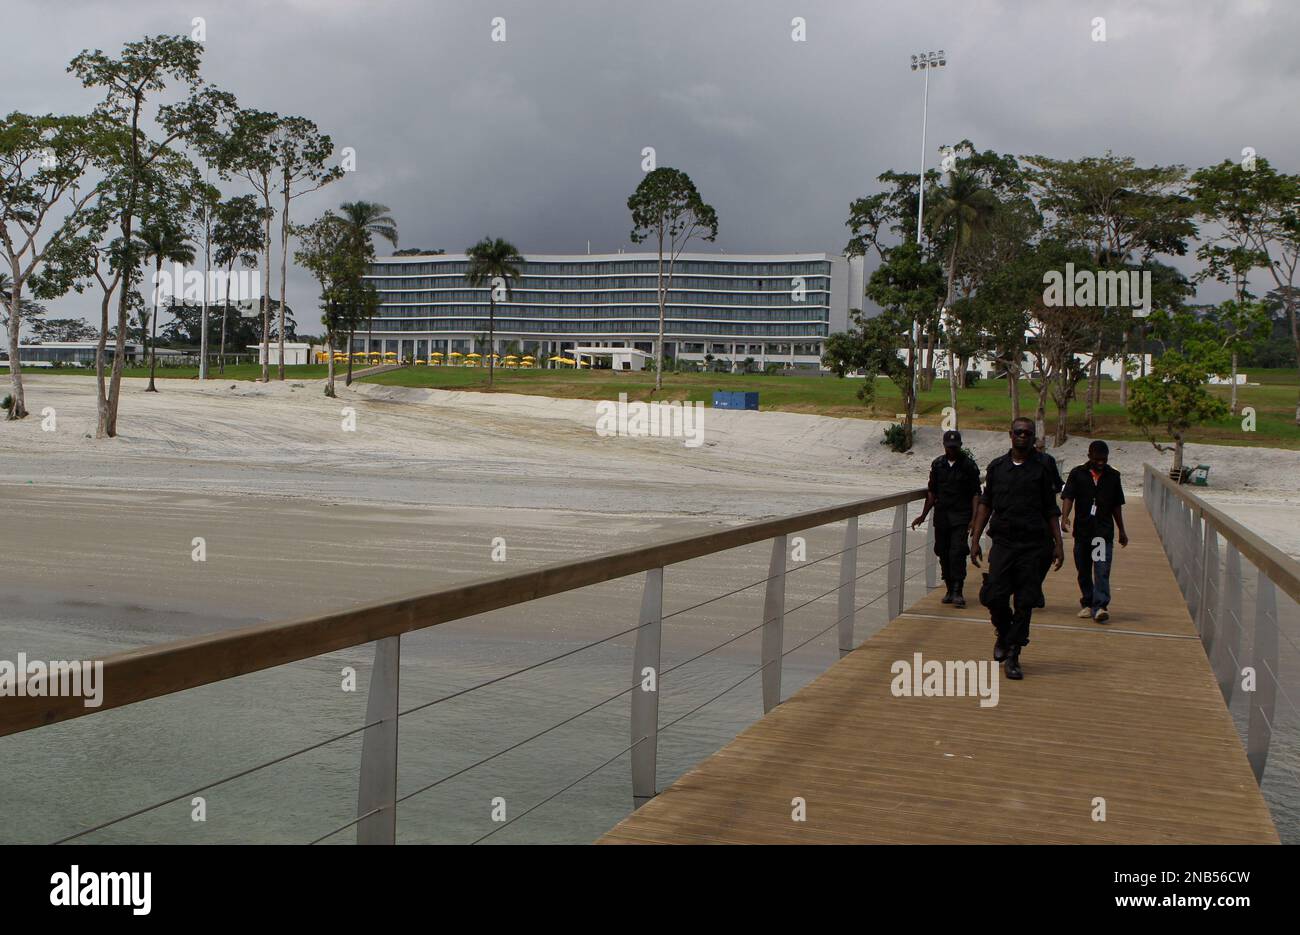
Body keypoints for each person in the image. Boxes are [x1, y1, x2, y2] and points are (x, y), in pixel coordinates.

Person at [970, 417, 1064, 680]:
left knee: (1025, 601)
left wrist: (1059, 543)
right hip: (1004, 543)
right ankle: (1004, 632)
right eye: (1019, 432)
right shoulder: (997, 467)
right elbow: (986, 504)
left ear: (1034, 438)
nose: (1023, 436)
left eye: (1028, 433)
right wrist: (975, 538)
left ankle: (1013, 654)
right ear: (1010, 435)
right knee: (993, 596)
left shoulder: (1044, 466)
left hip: (1035, 545)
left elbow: (1050, 507)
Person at [1060, 440, 1129, 623]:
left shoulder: (1113, 476)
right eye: (1097, 459)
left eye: (1104, 459)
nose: (1101, 462)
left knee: (1101, 569)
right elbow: (1068, 496)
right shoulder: (1077, 474)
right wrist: (1064, 516)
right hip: (1082, 531)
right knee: (1083, 570)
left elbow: (1116, 505)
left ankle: (1100, 606)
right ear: (1089, 456)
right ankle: (1088, 602)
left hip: (1101, 533)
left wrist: (1122, 530)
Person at [911, 430, 981, 607]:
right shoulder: (938, 465)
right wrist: (923, 515)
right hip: (942, 515)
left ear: (960, 446)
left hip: (961, 515)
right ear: (944, 446)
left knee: (957, 551)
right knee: (942, 550)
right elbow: (932, 492)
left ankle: (958, 590)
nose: (952, 450)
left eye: (955, 447)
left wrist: (974, 518)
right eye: (949, 447)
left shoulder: (969, 466)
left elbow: (975, 494)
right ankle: (949, 587)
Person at [1032, 437, 1065, 608]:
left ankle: (1036, 586)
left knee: (1045, 552)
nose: (1039, 451)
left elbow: (1058, 485)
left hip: (1045, 513)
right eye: (1037, 448)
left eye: (1041, 448)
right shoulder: (1016, 463)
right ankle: (1030, 589)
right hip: (1024, 516)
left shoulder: (1048, 461)